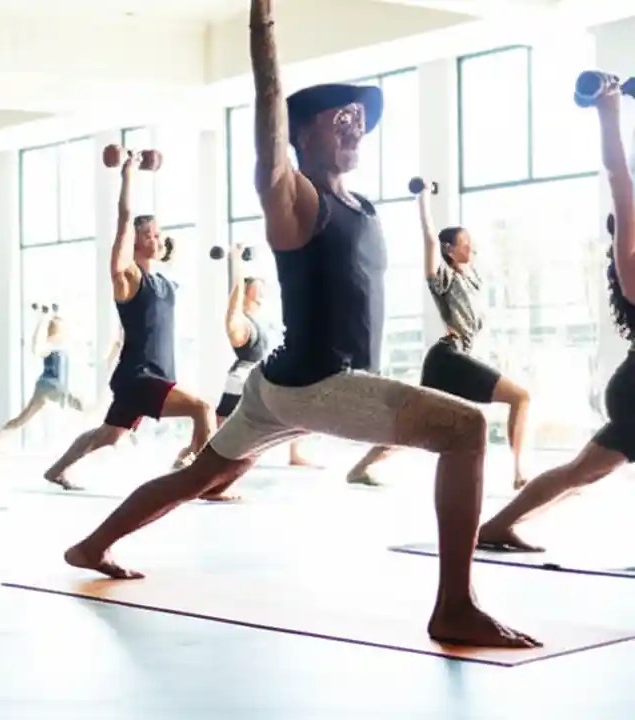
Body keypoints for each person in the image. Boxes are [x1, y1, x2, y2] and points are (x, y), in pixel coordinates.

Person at [59, 0, 538, 649]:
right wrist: (263, 22)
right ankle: (455, 604)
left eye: (358, 120)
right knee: (467, 427)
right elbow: (268, 99)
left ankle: (91, 546)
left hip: (281, 382)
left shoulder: (361, 204)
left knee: (201, 475)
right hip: (315, 382)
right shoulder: (295, 198)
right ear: (301, 133)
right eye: (337, 118)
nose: (352, 127)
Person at [477, 76, 633, 552]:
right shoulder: (631, 263)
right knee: (581, 474)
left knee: (580, 474)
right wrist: (608, 114)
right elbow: (618, 175)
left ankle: (495, 527)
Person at [41, 150, 214, 490]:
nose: (157, 238)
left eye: (158, 234)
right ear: (133, 242)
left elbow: (170, 251)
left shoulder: (164, 281)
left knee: (109, 435)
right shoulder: (128, 277)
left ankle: (57, 469)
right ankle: (207, 482)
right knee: (203, 408)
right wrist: (129, 174)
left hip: (153, 374)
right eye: (149, 234)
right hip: (140, 376)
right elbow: (125, 217)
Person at [344, 176, 532, 489]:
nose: (470, 246)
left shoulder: (472, 280)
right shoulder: (443, 279)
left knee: (415, 428)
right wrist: (424, 198)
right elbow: (430, 240)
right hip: (448, 358)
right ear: (449, 249)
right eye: (464, 242)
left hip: (453, 360)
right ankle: (519, 472)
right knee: (521, 397)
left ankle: (360, 468)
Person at [207, 246, 317, 493]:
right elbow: (233, 299)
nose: (263, 285)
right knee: (225, 429)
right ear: (246, 291)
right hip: (242, 379)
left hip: (259, 379)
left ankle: (295, 453)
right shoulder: (240, 322)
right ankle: (200, 460)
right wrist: (235, 263)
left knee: (296, 413)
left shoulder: (261, 321)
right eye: (257, 283)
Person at [0, 308, 86, 450]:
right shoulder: (50, 345)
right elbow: (36, 347)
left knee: (24, 418)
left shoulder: (62, 346)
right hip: (49, 385)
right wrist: (43, 319)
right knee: (78, 404)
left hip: (50, 387)